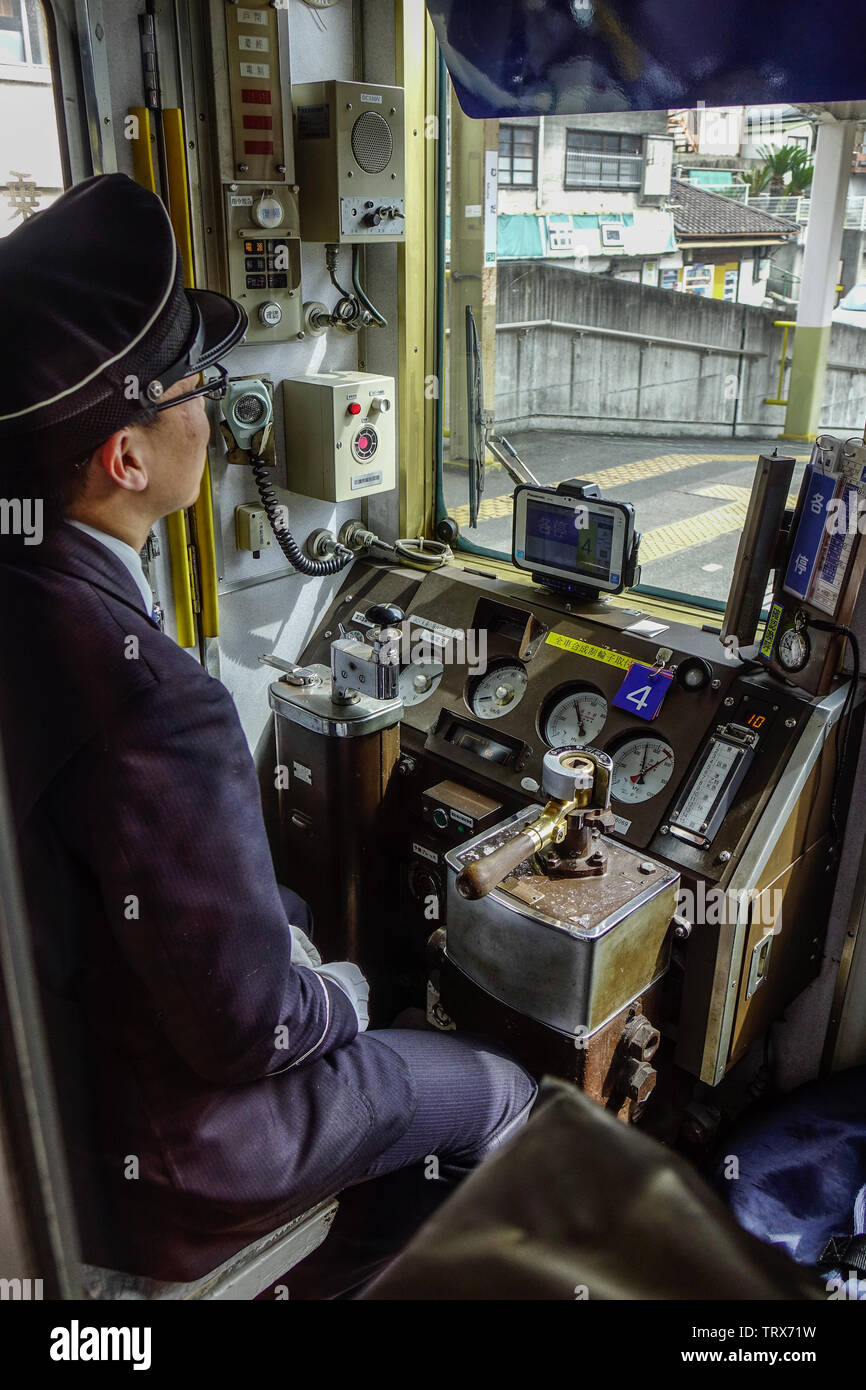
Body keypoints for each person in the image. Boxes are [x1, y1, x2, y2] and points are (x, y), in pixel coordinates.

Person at [0, 173, 536, 1291]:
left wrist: (282, 946)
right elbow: (247, 1035)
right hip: (181, 1149)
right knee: (492, 1094)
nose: (217, 408)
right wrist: (336, 991)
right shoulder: (157, 705)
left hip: (58, 1095)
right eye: (198, 386)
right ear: (126, 459)